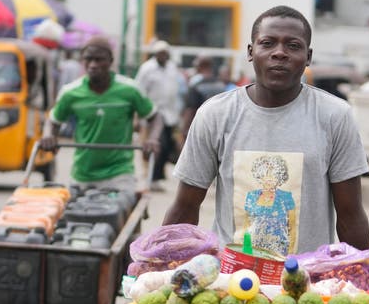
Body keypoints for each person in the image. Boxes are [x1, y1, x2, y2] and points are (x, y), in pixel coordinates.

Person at [164, 5, 369, 254]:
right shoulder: (215, 115)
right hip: (231, 283)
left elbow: (350, 215)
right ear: (251, 52)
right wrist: (156, 267)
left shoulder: (335, 116)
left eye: (293, 46)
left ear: (308, 57)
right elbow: (185, 207)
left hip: (307, 285)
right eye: (268, 43)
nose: (280, 53)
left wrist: (365, 275)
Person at [38, 36, 162, 194]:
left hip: (119, 173)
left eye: (99, 60)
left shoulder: (130, 90)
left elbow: (155, 117)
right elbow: (53, 120)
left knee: (117, 214)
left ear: (110, 61)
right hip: (82, 174)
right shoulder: (70, 93)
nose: (93, 65)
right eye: (88, 60)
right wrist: (49, 135)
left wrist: (152, 139)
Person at [134, 40, 184, 189]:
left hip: (169, 114)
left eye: (165, 53)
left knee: (166, 147)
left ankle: (157, 177)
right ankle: (149, 176)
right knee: (155, 144)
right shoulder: (147, 69)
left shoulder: (172, 68)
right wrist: (137, 116)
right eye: (160, 53)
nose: (163, 56)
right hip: (152, 113)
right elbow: (139, 92)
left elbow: (175, 92)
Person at [181, 54, 231, 134]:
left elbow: (190, 110)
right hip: (219, 130)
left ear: (200, 66)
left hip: (200, 130)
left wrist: (184, 130)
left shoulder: (196, 85)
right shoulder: (221, 85)